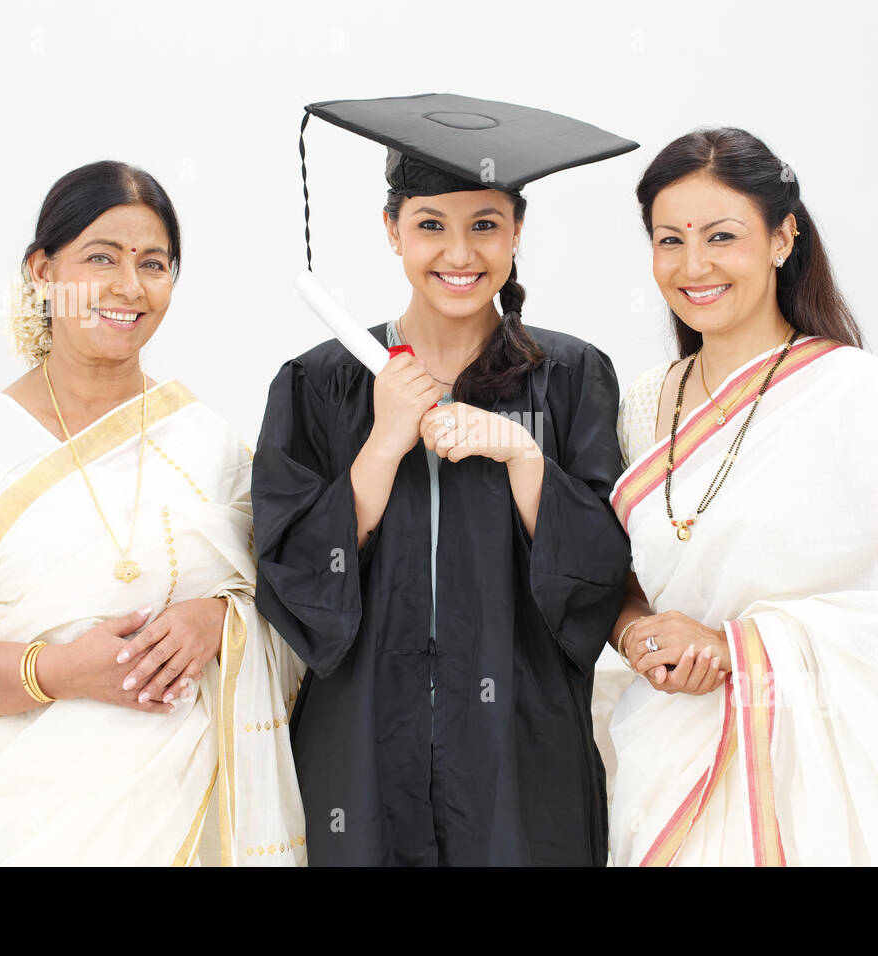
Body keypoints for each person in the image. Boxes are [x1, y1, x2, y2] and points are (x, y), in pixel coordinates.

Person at [0, 161, 304, 866]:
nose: (129, 287)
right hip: (17, 832)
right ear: (43, 271)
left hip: (189, 829)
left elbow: (296, 605)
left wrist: (220, 621)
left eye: (153, 263)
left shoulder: (207, 443)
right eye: (101, 258)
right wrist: (61, 670)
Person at [605, 128, 878, 866]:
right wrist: (637, 635)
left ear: (783, 238)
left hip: (815, 770)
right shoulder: (638, 403)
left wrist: (735, 648)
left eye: (721, 236)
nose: (693, 266)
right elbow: (620, 578)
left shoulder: (851, 392)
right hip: (668, 752)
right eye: (669, 240)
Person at [252, 94, 636, 865]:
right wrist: (383, 444)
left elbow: (604, 573)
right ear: (391, 230)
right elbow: (290, 580)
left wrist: (526, 462)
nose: (458, 254)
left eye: (484, 225)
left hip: (518, 752)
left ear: (517, 233)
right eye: (430, 224)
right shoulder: (319, 383)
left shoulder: (569, 378)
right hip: (361, 745)